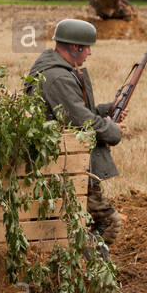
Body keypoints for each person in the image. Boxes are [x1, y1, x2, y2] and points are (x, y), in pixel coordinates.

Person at [26, 18, 123, 258]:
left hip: (64, 163)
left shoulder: (57, 71)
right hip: (65, 167)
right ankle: (91, 272)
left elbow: (73, 111)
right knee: (109, 222)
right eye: (86, 47)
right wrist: (113, 131)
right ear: (73, 47)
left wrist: (105, 110)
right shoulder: (58, 77)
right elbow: (81, 121)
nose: (89, 52)